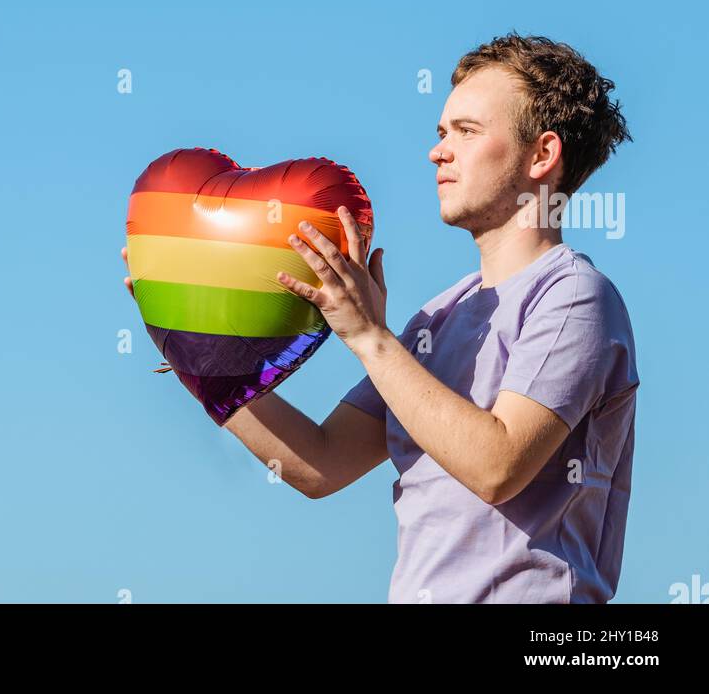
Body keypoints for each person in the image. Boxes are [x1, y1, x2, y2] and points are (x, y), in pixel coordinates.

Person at [212, 32, 640, 604]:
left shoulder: (575, 298)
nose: (438, 151)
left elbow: (498, 465)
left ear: (542, 155)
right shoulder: (435, 320)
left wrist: (369, 337)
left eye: (466, 131)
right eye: (442, 133)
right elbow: (320, 463)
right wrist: (197, 354)